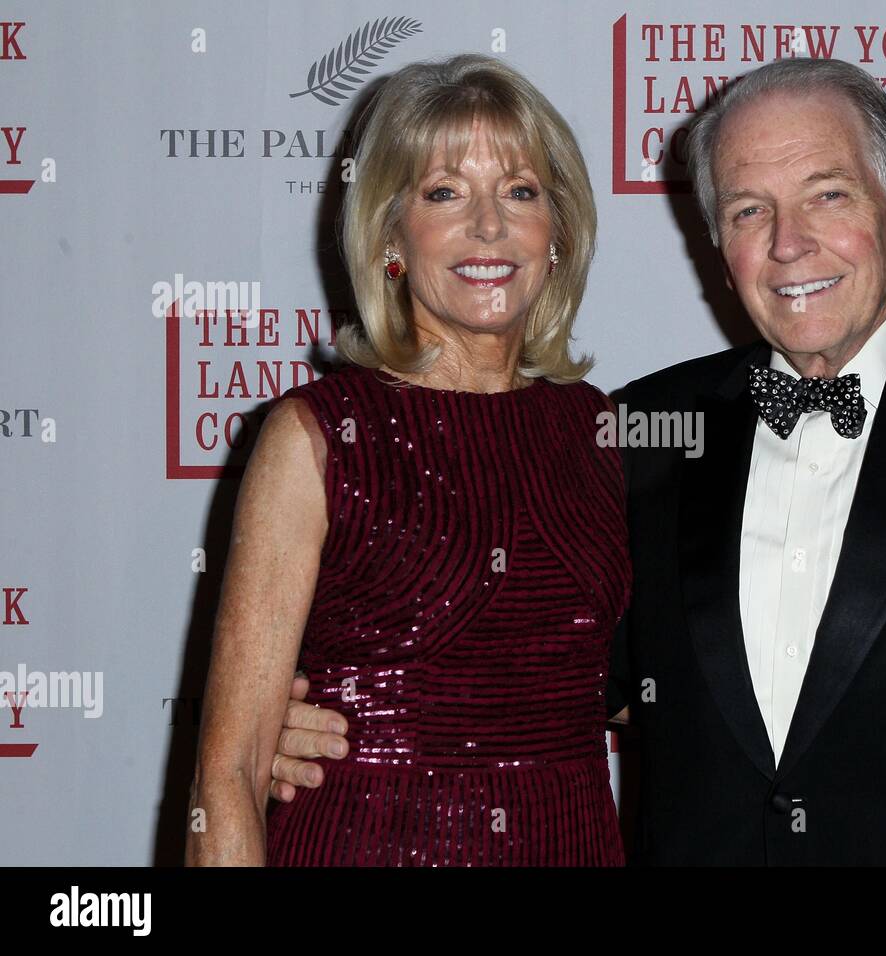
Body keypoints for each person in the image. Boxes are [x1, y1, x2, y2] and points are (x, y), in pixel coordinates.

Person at [268, 57, 886, 865]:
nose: (787, 243)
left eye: (829, 195)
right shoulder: (641, 429)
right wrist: (331, 719)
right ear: (716, 243)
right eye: (748, 210)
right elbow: (555, 672)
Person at [186, 54, 630, 866]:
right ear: (390, 236)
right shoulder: (315, 436)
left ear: (558, 235)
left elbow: (655, 681)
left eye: (521, 192)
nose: (489, 226)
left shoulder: (601, 431)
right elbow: (230, 775)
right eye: (445, 192)